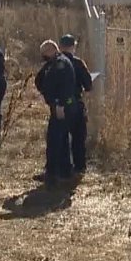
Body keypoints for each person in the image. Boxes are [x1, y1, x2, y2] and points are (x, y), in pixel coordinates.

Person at [34, 39, 77, 184]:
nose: (43, 57)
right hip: (59, 106)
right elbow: (41, 80)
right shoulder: (53, 63)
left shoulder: (61, 64)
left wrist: (59, 104)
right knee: (61, 139)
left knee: (55, 139)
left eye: (44, 53)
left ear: (51, 50)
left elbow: (65, 87)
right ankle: (63, 172)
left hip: (62, 107)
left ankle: (53, 173)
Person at [59, 34, 93, 175]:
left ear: (60, 46)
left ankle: (62, 168)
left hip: (59, 106)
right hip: (76, 104)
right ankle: (79, 167)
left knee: (60, 137)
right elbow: (88, 85)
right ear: (73, 46)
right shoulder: (78, 63)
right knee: (78, 137)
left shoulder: (54, 62)